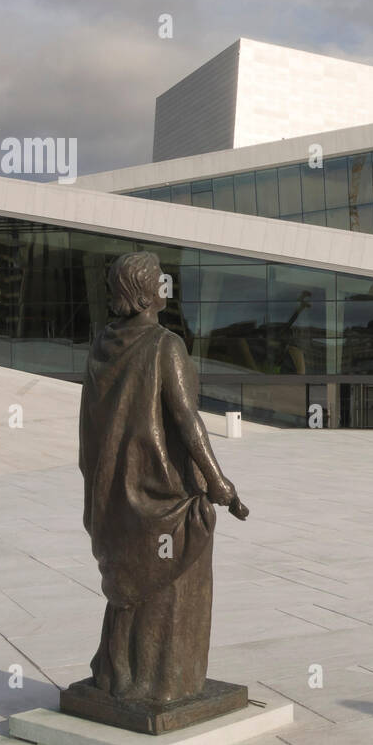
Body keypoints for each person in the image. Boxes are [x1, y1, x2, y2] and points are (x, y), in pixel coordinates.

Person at [78, 251, 246, 705]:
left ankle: (121, 676)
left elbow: (92, 429)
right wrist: (218, 481)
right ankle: (167, 683)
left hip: (116, 494)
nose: (165, 286)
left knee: (132, 583)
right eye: (158, 280)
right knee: (172, 585)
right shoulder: (163, 345)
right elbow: (188, 420)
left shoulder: (101, 347)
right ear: (143, 293)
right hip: (167, 497)